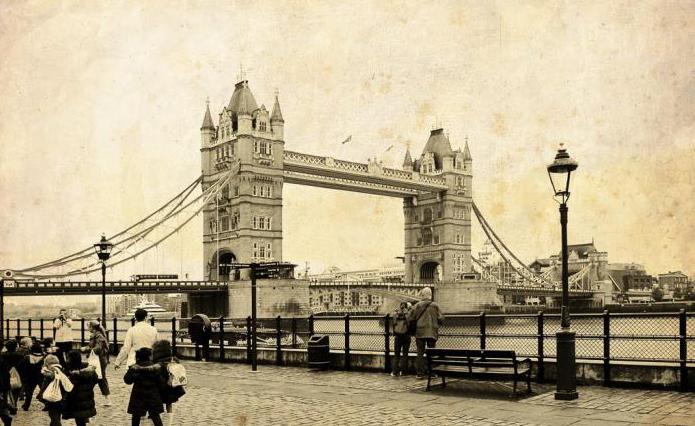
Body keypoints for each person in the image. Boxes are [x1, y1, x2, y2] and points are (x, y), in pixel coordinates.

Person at [407, 287, 444, 379]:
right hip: (432, 332)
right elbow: (441, 318)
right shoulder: (435, 306)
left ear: (422, 295)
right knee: (432, 353)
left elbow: (409, 318)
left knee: (420, 353)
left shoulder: (417, 305)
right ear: (430, 295)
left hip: (420, 332)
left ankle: (420, 373)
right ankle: (432, 372)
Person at [124, 347, 164, 426]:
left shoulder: (134, 368)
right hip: (153, 395)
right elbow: (161, 382)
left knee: (136, 417)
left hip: (138, 395)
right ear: (149, 356)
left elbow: (127, 380)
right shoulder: (155, 368)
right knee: (155, 416)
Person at [152, 340, 185, 426]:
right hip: (172, 386)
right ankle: (169, 423)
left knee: (158, 404)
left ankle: (161, 422)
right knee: (169, 404)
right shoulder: (173, 360)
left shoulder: (158, 363)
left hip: (161, 386)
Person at [62, 350, 98, 426]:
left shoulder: (70, 371)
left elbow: (69, 385)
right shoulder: (87, 368)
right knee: (81, 420)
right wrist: (88, 388)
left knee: (79, 420)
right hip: (86, 398)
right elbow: (95, 379)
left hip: (76, 400)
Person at [80, 321, 111, 406]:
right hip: (98, 360)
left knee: (99, 378)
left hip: (99, 360)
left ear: (92, 328)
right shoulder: (97, 335)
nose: (87, 328)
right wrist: (87, 348)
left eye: (88, 326)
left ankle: (107, 399)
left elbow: (98, 348)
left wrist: (86, 349)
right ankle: (106, 399)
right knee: (97, 378)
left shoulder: (98, 336)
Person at [38, 354, 69, 426]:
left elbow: (44, 388)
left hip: (52, 398)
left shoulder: (48, 373)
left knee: (54, 416)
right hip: (62, 398)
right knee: (57, 416)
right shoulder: (62, 371)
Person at [19, 342, 44, 411]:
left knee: (29, 392)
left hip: (30, 377)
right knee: (44, 390)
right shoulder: (44, 358)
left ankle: (26, 405)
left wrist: (23, 376)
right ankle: (47, 405)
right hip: (40, 376)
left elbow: (22, 367)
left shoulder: (27, 357)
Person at [0, 341, 22, 414]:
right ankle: (14, 405)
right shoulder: (20, 355)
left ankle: (7, 406)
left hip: (6, 375)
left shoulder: (3, 355)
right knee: (16, 392)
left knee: (6, 393)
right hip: (18, 374)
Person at [391, 301, 412, 377]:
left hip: (397, 336)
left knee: (396, 355)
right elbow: (410, 323)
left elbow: (393, 324)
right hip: (406, 335)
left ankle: (394, 372)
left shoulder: (395, 314)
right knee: (405, 354)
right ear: (406, 307)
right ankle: (403, 372)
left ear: (400, 306)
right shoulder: (408, 314)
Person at [0, 354, 13, 425]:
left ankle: (6, 418)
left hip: (2, 388)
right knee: (2, 406)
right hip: (3, 388)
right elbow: (6, 375)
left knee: (2, 407)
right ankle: (6, 418)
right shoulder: (2, 359)